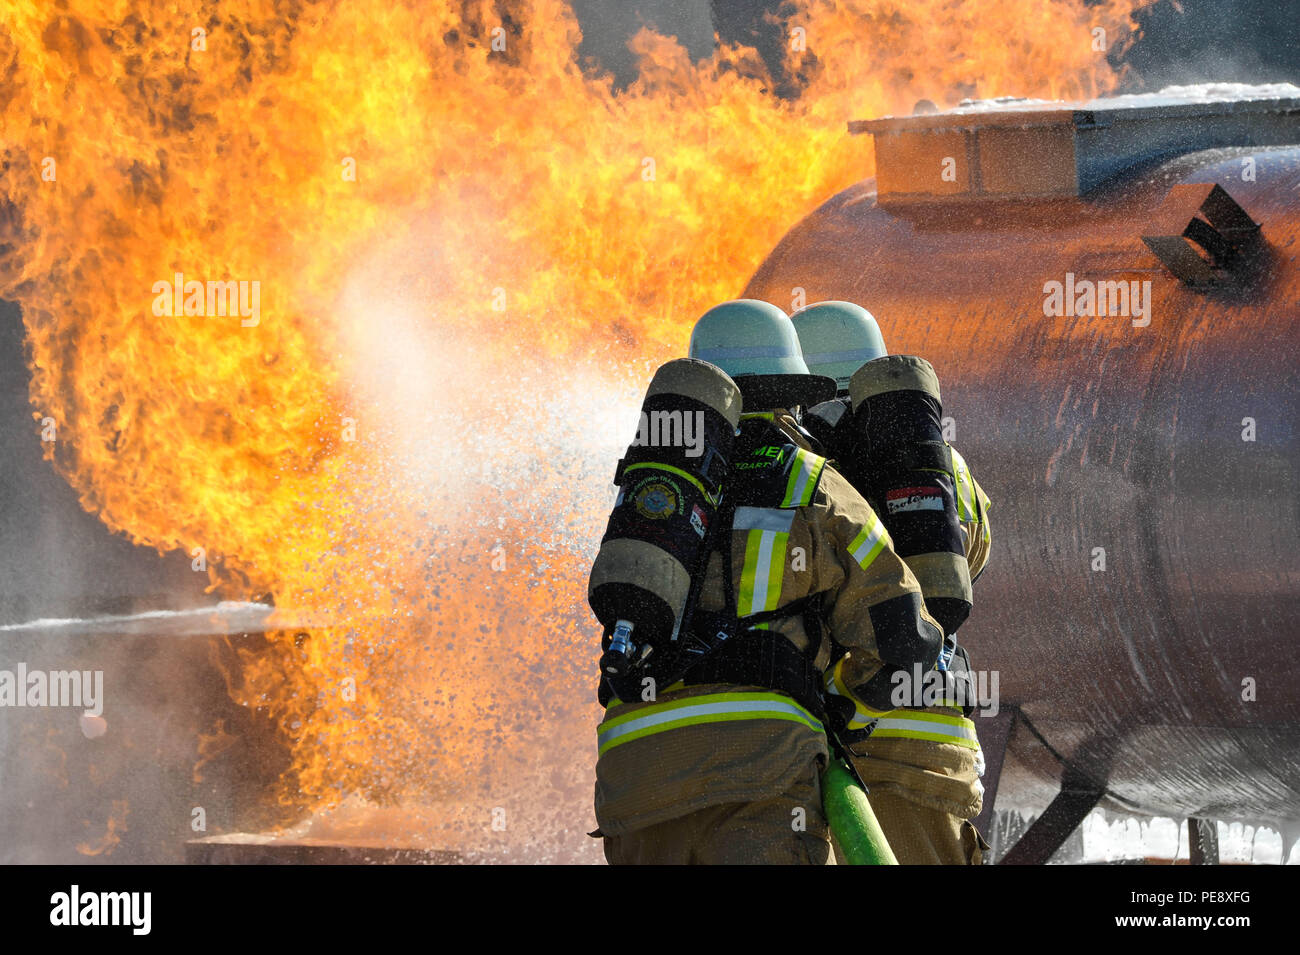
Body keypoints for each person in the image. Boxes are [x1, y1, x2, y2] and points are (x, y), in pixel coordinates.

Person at [592, 299, 945, 864]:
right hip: (757, 766)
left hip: (635, 768)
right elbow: (903, 638)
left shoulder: (658, 492)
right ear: (791, 395)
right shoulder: (814, 486)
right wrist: (845, 707)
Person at [793, 299, 994, 864]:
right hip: (933, 741)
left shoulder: (797, 459)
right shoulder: (939, 462)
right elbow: (969, 561)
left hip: (829, 731)